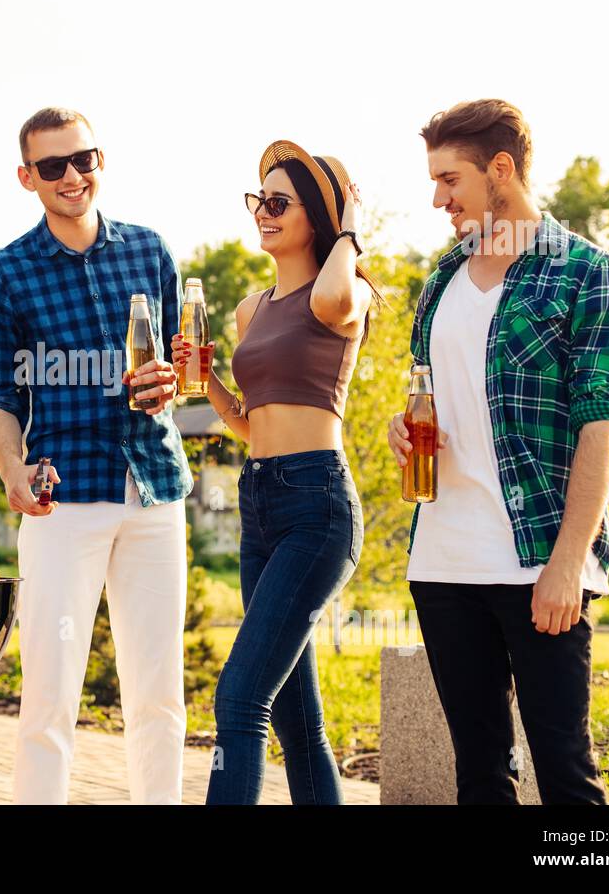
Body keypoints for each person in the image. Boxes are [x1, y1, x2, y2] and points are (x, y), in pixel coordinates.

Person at [387, 99, 609, 804]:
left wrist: (570, 562)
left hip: (540, 561)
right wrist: (402, 428)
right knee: (479, 774)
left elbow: (602, 426)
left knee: (565, 775)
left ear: (501, 170)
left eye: (450, 180)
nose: (437, 198)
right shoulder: (443, 277)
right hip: (443, 559)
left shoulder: (588, 274)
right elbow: (434, 395)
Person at [0, 107, 190, 804]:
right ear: (26, 177)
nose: (72, 176)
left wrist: (169, 383)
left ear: (101, 161)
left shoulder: (150, 251)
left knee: (159, 693)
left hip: (154, 487)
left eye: (83, 159)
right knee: (51, 695)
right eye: (53, 166)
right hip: (62, 497)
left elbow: (170, 367)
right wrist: (12, 471)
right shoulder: (4, 274)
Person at [173, 140, 380, 804]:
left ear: (317, 218)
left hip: (316, 506)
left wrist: (349, 227)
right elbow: (249, 421)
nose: (263, 210)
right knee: (298, 720)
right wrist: (206, 382)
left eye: (280, 201)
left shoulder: (342, 296)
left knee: (238, 697)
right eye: (258, 198)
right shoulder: (249, 309)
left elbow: (334, 291)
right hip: (259, 502)